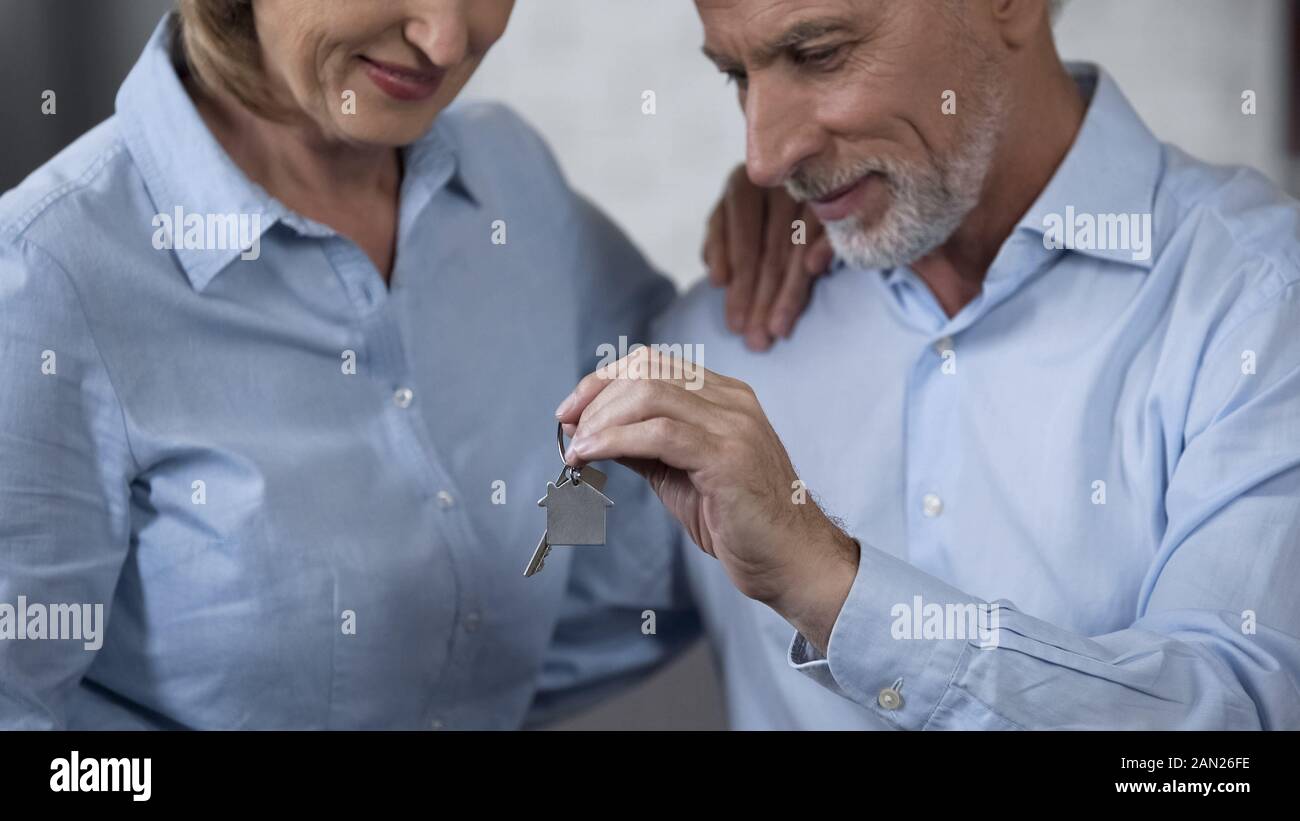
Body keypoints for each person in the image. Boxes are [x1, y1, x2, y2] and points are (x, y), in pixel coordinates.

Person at [0, 0, 819, 729]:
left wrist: (805, 205)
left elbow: (695, 478)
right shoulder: (48, 274)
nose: (445, 36)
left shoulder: (510, 183)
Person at [558, 0, 1300, 729]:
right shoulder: (718, 335)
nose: (766, 156)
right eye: (737, 76)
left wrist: (828, 581)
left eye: (819, 54)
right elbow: (502, 655)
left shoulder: (1261, 304)